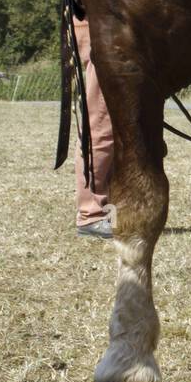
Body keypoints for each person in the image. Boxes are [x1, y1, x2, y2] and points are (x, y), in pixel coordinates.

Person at [72, 16, 115, 237]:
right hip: (101, 26)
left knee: (113, 129)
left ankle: (109, 211)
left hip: (106, 26)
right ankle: (91, 215)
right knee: (102, 125)